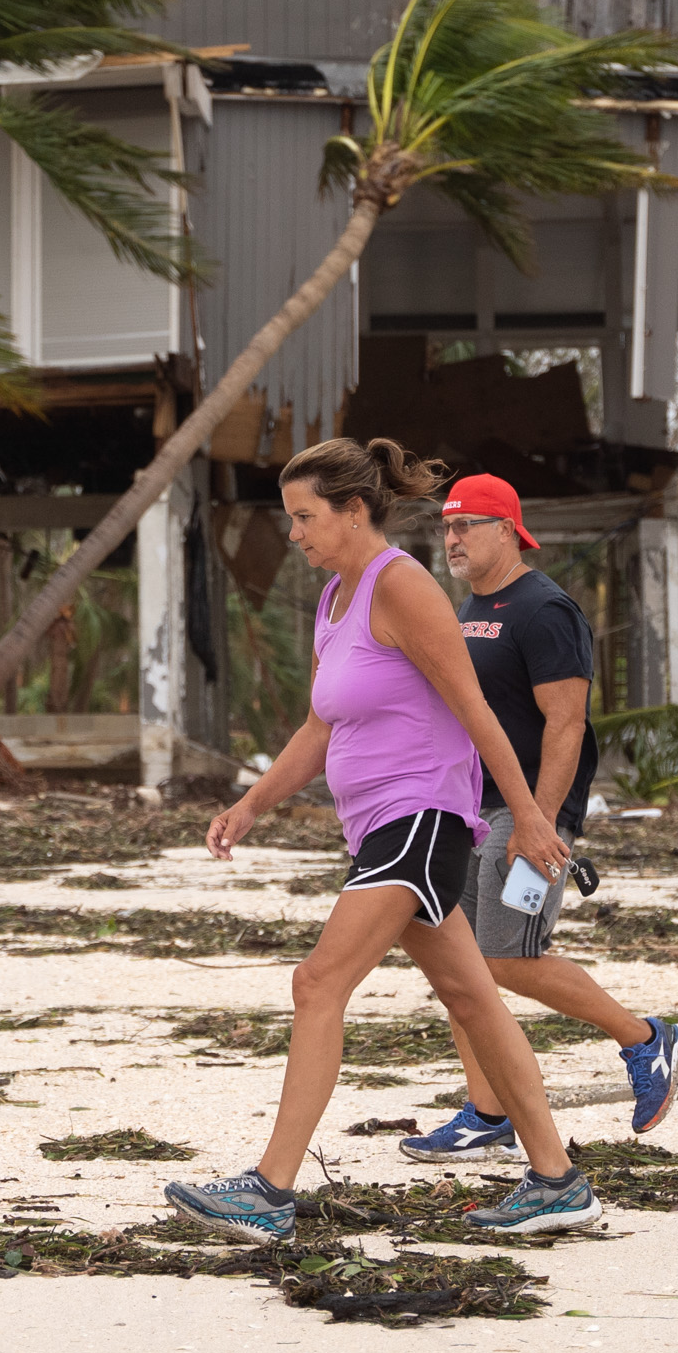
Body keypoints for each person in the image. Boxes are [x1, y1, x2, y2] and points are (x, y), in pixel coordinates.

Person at [162, 438, 603, 1244]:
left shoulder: (402, 587)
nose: (294, 534)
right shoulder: (339, 599)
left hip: (421, 818)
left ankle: (269, 1190)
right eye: (290, 518)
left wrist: (532, 816)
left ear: (354, 512)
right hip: (375, 829)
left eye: (305, 517)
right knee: (472, 997)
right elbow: (320, 726)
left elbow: (476, 710)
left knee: (316, 983)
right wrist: (251, 805)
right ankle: (557, 1180)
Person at [400, 472, 678, 1162]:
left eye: (466, 525)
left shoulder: (544, 609)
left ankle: (648, 1040)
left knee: (506, 955)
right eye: (446, 527)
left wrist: (542, 822)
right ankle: (487, 1111)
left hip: (528, 815)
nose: (452, 539)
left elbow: (566, 722)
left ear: (507, 530)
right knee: (459, 966)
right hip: (470, 810)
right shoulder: (466, 608)